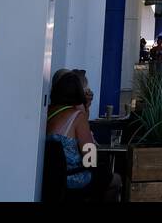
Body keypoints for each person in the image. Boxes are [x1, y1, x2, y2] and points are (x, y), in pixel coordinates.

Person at [45, 71, 120, 201]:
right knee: (115, 180)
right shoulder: (77, 116)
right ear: (79, 92)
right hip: (73, 178)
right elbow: (90, 158)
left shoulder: (47, 112)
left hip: (51, 179)